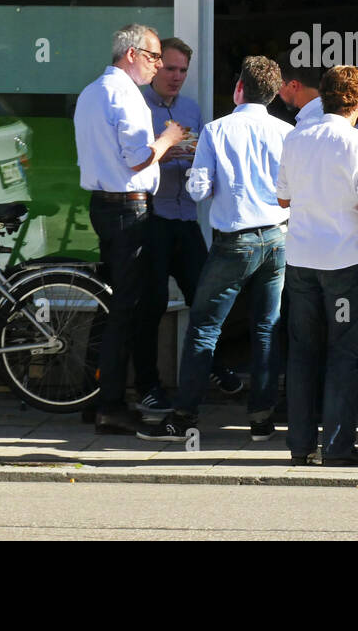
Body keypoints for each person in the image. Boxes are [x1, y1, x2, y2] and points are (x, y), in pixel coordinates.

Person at [138, 57, 291, 444]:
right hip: (276, 237)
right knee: (266, 328)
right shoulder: (286, 131)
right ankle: (261, 417)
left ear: (239, 88)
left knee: (204, 328)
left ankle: (185, 416)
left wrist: (192, 173)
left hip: (234, 239)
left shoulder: (219, 130)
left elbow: (199, 190)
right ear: (274, 94)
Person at [73, 24, 186, 434]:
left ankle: (97, 395)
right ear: (133, 54)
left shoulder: (92, 91)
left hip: (106, 205)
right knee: (126, 309)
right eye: (155, 57)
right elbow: (138, 158)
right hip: (126, 209)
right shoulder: (126, 95)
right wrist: (168, 139)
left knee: (111, 304)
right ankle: (111, 405)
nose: (159, 66)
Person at [276, 65, 358, 466]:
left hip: (301, 259)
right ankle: (339, 447)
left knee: (302, 353)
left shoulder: (295, 137)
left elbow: (283, 201)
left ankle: (301, 445)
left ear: (323, 97)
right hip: (342, 260)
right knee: (343, 354)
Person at [136, 37, 241, 413]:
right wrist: (166, 151)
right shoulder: (138, 107)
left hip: (186, 217)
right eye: (170, 68)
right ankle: (147, 384)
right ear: (154, 67)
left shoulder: (192, 108)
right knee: (151, 304)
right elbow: (132, 161)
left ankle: (212, 364)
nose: (177, 76)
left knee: (207, 295)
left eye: (183, 70)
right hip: (152, 217)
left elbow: (201, 157)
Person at [278, 60, 323, 129]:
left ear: (294, 85)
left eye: (279, 85)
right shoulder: (328, 112)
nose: (278, 92)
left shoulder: (312, 122)